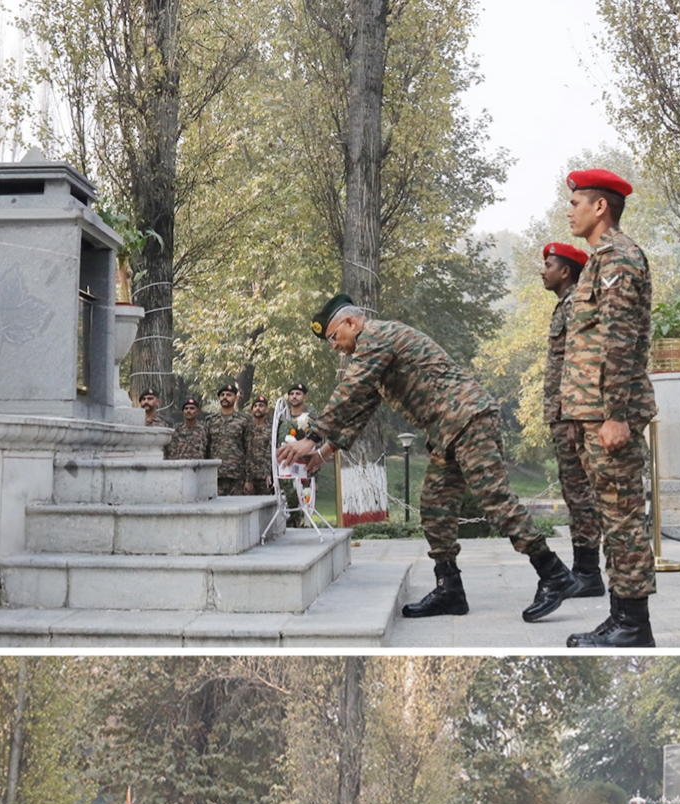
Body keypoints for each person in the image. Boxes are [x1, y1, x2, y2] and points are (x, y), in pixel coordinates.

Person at [279, 294, 584, 623]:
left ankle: (553, 574)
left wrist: (311, 438)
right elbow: (359, 409)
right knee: (435, 507)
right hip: (447, 430)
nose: (335, 347)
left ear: (351, 323)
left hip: (468, 418)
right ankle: (449, 588)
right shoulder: (372, 353)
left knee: (495, 500)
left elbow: (350, 391)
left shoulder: (377, 337)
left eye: (333, 337)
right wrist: (323, 454)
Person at [560, 168, 658, 647]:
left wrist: (616, 413)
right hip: (592, 414)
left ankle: (633, 625)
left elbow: (619, 341)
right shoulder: (600, 259)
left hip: (609, 414)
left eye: (577, 202)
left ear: (601, 206)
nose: (569, 210)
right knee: (612, 518)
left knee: (623, 520)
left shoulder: (619, 257)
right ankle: (620, 616)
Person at [541, 241, 605, 596]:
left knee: (580, 493)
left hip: (572, 415)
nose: (543, 270)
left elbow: (579, 364)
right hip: (563, 414)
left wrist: (571, 417)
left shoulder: (578, 305)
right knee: (574, 491)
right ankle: (585, 570)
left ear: (565, 271)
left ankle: (588, 573)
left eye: (549, 264)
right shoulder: (564, 306)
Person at [275, 382, 318, 526]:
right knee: (288, 508)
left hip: (305, 469)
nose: (294, 397)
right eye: (292, 394)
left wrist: (315, 477)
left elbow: (317, 447)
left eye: (298, 394)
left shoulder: (311, 419)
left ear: (304, 397)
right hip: (286, 470)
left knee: (305, 507)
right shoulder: (281, 421)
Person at [205, 381, 252, 495]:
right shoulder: (210, 421)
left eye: (229, 395)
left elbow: (250, 450)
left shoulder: (244, 421)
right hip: (215, 475)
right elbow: (205, 448)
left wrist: (249, 479)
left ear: (235, 398)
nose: (225, 397)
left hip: (237, 476)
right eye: (222, 395)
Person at [165, 396, 209, 462]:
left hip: (198, 468)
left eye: (192, 408)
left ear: (198, 411)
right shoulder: (176, 429)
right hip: (179, 467)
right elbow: (170, 450)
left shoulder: (204, 429)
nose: (188, 411)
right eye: (186, 408)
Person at [247, 395, 275, 495]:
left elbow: (271, 453)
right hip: (249, 477)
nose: (258, 408)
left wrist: (269, 474)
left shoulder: (272, 429)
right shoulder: (247, 428)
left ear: (267, 410)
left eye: (261, 406)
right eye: (255, 406)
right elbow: (245, 452)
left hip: (266, 477)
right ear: (252, 410)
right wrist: (247, 479)